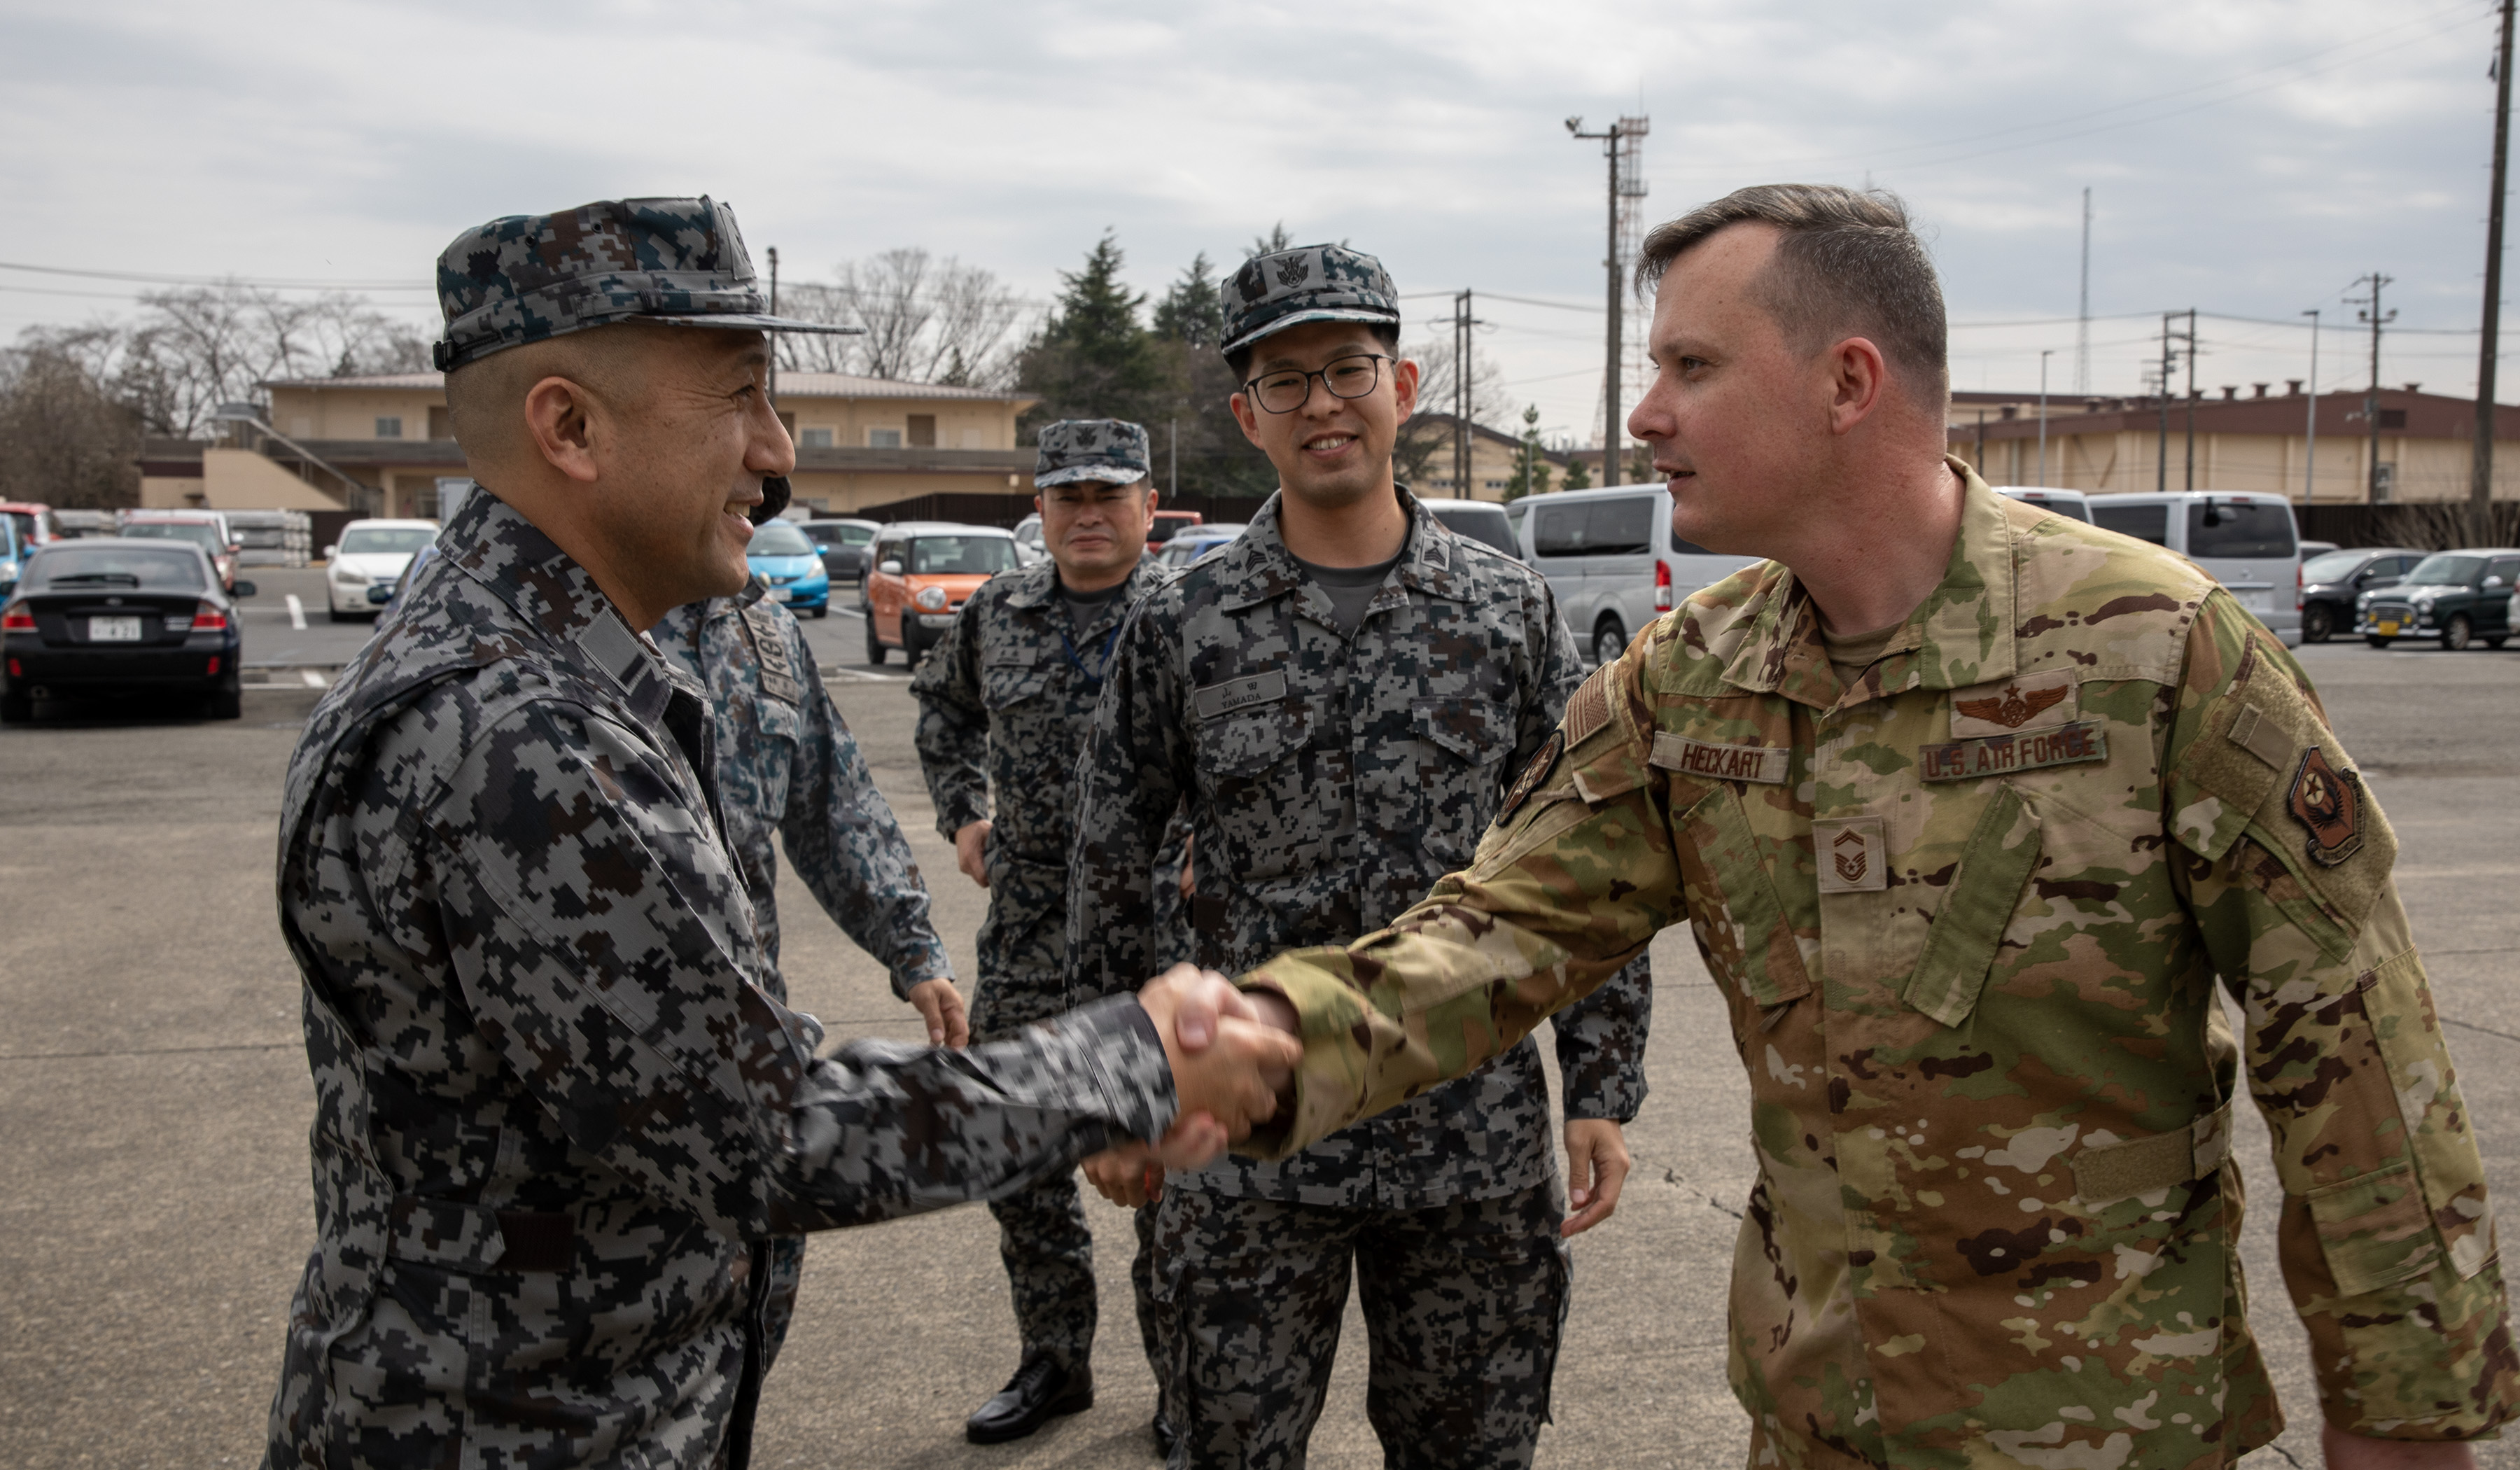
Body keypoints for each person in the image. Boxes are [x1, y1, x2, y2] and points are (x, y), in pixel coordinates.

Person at [1154, 186, 2517, 1467]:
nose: (1644, 412)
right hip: (1819, 1416)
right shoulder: (1689, 682)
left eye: (1692, 367)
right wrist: (1255, 1039)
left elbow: (2357, 1056)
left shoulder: (2157, 651)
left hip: (2102, 1425)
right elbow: (1494, 934)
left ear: (1848, 383)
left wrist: (2403, 1412)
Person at [260, 195, 1298, 1469]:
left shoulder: (567, 667)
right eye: (740, 398)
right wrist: (1133, 1064)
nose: (779, 451)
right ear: (570, 428)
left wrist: (925, 949)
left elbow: (826, 799)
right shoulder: (518, 733)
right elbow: (771, 1131)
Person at [1065, 243, 1653, 1470]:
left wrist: (1601, 1086)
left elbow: (1587, 852)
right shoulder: (1182, 619)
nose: (1322, 403)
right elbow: (1110, 858)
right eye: (1285, 382)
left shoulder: (1505, 611)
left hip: (1469, 1141)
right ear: (1247, 417)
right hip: (1245, 1147)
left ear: (1405, 386)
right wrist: (1110, 1093)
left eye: (1349, 368)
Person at [909, 418, 1182, 1446]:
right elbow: (941, 710)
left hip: (1155, 941)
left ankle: (1181, 1380)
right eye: (1069, 497)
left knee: (1168, 1166)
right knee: (1015, 1153)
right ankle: (1055, 1360)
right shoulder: (1000, 612)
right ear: (1040, 508)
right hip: (1027, 932)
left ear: (1149, 507)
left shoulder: (1192, 612)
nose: (1089, 515)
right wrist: (963, 816)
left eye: (1110, 496)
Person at [654, 560, 971, 1365]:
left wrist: (913, 948)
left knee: (751, 1304)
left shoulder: (761, 629)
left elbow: (833, 805)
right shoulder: (545, 623)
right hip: (612, 1079)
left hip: (753, 1053)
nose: (758, 494)